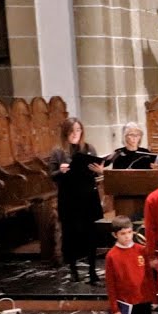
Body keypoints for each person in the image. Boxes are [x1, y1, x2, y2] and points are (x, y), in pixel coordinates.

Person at [50, 117, 104, 284]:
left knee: (91, 234)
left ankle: (92, 271)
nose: (75, 134)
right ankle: (73, 270)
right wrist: (61, 171)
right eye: (72, 131)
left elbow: (95, 171)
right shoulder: (58, 152)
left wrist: (100, 170)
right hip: (69, 198)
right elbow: (51, 175)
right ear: (65, 132)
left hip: (88, 197)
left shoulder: (88, 148)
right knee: (70, 234)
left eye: (78, 130)